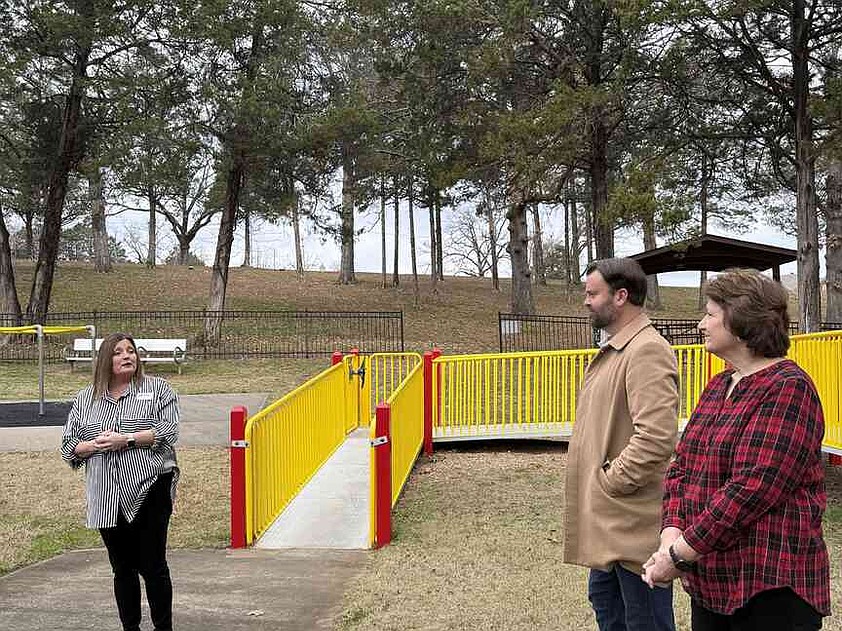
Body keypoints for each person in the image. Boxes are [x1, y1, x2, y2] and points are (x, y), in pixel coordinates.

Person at [643, 269, 831, 630]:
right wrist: (671, 535)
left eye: (711, 314)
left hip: (769, 589)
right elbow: (683, 467)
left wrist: (679, 554)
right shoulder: (719, 385)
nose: (701, 324)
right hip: (712, 584)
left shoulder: (788, 389)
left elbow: (751, 489)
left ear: (743, 319)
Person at [564, 257, 680, 631]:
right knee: (608, 608)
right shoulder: (619, 349)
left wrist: (609, 481)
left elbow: (657, 437)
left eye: (592, 293)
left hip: (632, 531)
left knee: (643, 621)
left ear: (621, 296)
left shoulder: (646, 350)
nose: (586, 301)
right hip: (609, 529)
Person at [61, 332, 180, 631]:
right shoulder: (85, 398)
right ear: (105, 360)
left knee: (153, 566)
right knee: (122, 567)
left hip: (150, 487)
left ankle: (163, 627)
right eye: (118, 352)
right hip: (105, 495)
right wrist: (94, 446)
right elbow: (68, 446)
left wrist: (125, 440)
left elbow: (168, 432)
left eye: (131, 351)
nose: (127, 356)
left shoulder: (158, 389)